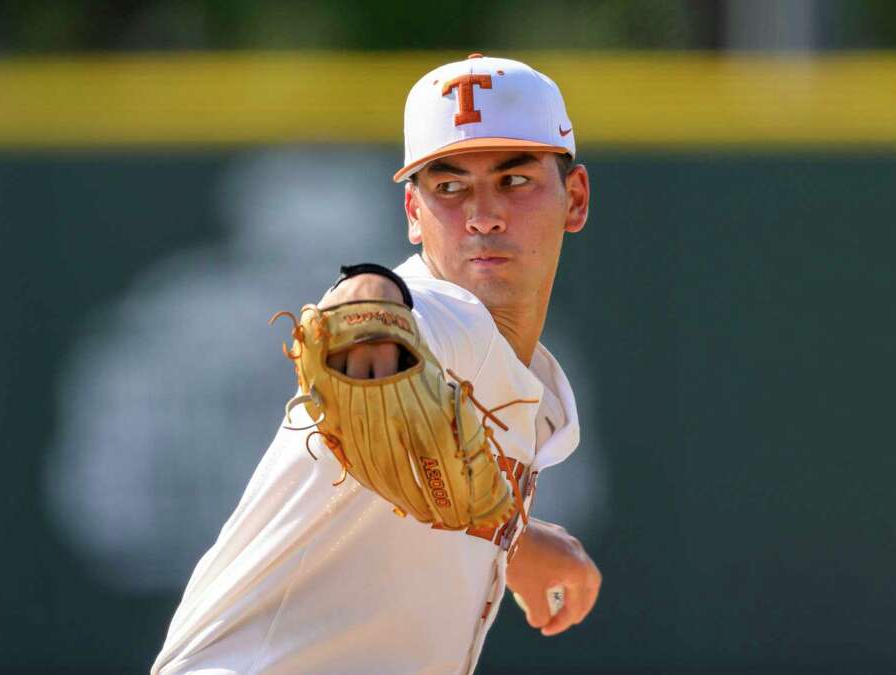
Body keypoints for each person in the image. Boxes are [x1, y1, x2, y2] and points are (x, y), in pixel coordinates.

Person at [151, 53, 601, 675]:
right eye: (449, 187)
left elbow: (441, 494)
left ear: (574, 198)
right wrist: (366, 298)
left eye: (514, 181)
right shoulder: (444, 322)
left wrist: (514, 539)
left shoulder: (531, 388)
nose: (482, 215)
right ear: (413, 215)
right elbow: (368, 303)